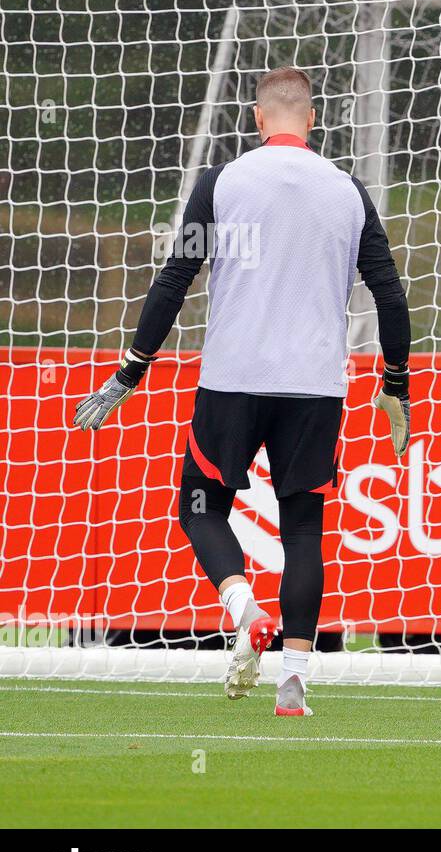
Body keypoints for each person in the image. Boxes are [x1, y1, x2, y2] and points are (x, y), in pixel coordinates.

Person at [72, 66, 412, 717]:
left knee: (200, 509)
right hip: (314, 387)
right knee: (304, 531)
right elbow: (389, 292)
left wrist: (131, 369)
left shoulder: (221, 183)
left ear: (258, 119)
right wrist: (395, 382)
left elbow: (175, 278)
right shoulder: (348, 192)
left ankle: (242, 608)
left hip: (233, 379)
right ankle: (294, 684)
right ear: (311, 120)